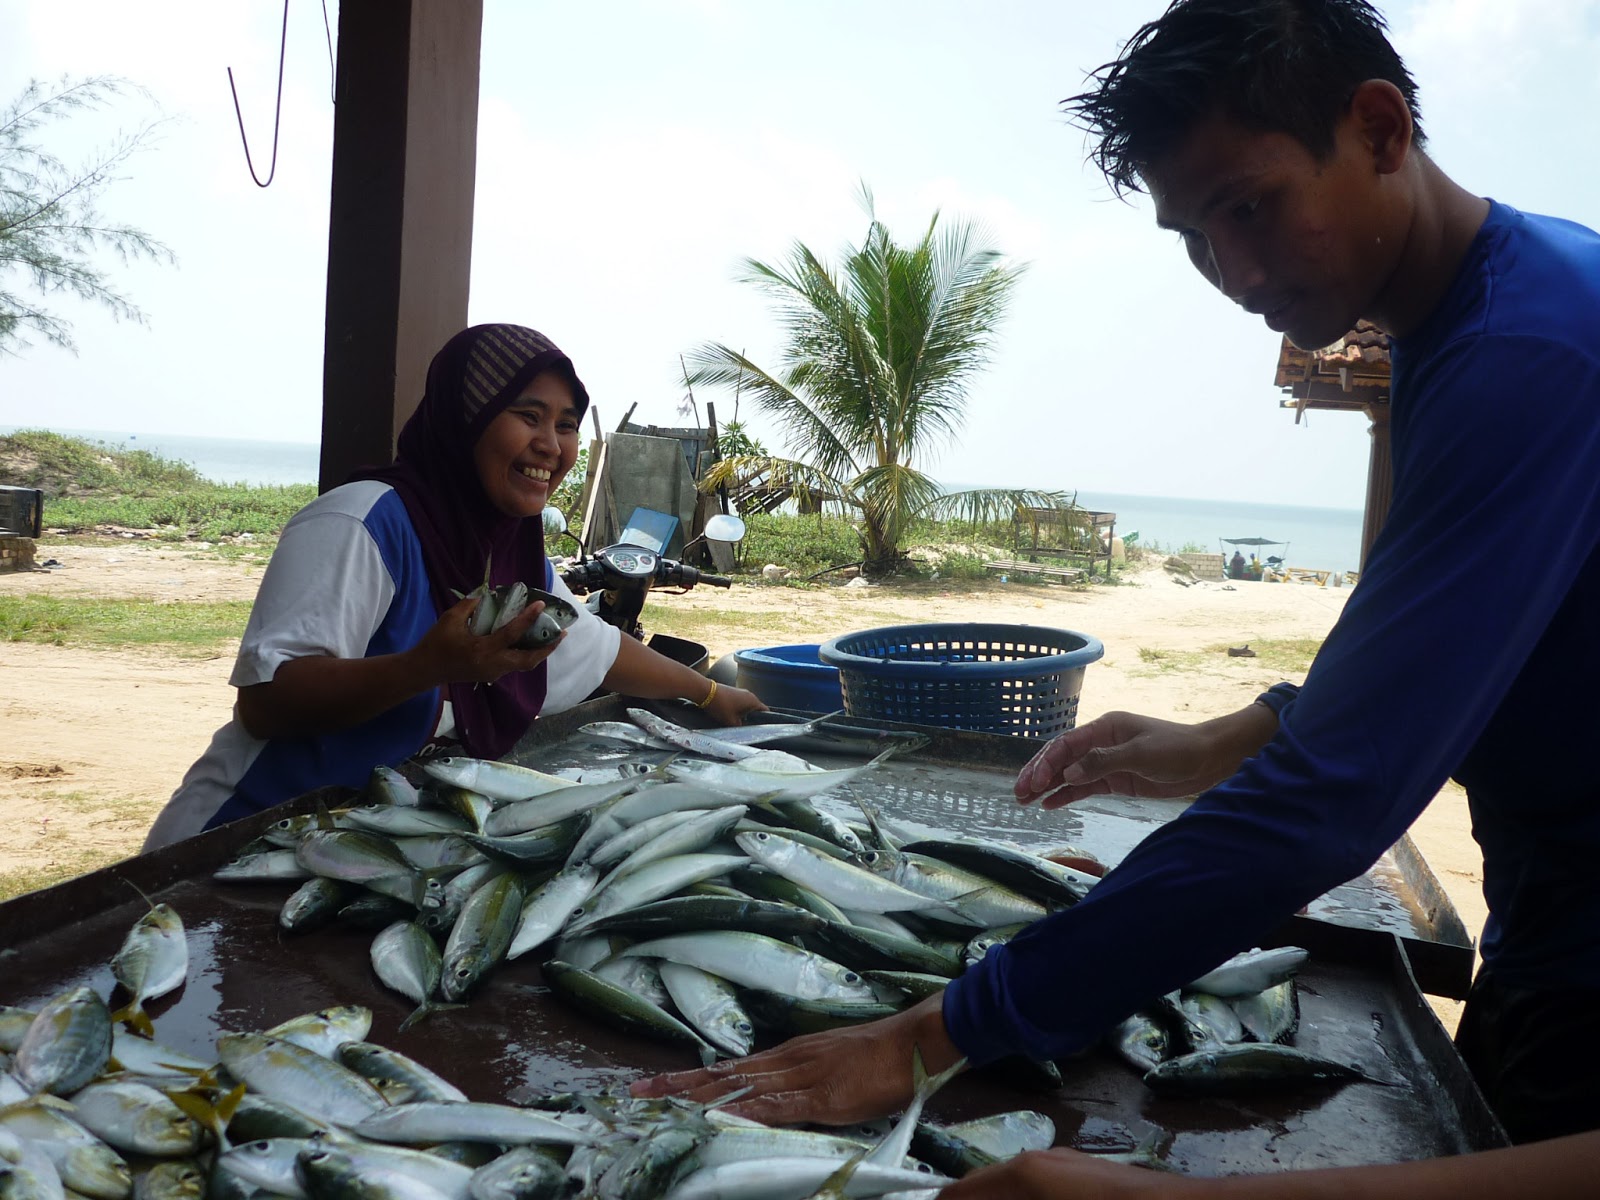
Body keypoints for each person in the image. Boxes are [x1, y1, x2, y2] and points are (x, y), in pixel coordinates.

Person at [636, 0, 1600, 1179]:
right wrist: (1240, 730)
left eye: (1250, 207)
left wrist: (940, 1033)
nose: (1233, 275)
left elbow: (1332, 803)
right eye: (1193, 235)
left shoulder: (1527, 355)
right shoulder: (1496, 314)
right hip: (1549, 926)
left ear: (1381, 129)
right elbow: (1460, 629)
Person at [144, 324, 764, 849]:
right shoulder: (361, 524)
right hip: (234, 839)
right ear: (466, 419)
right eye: (528, 416)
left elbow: (594, 646)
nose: (551, 445)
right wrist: (427, 667)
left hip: (352, 845)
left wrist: (710, 694)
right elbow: (267, 701)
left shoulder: (507, 545)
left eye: (568, 424)